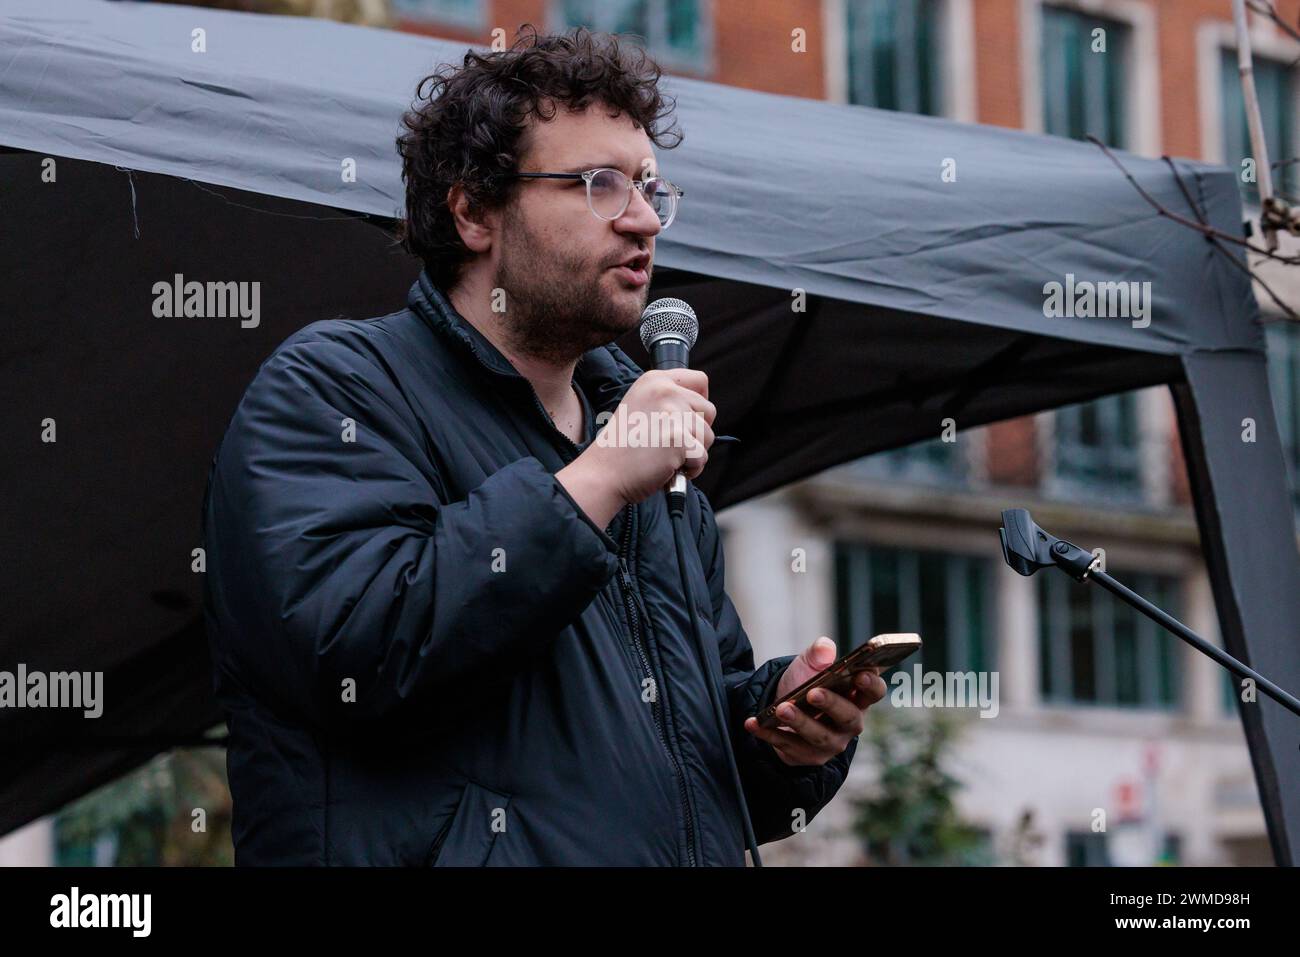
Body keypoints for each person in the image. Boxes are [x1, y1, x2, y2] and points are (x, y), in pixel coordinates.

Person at [200, 25, 886, 867]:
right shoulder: (337, 389)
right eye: (599, 184)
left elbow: (686, 770)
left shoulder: (641, 456)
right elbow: (359, 657)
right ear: (475, 210)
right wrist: (592, 483)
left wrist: (781, 732)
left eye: (649, 186)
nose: (642, 219)